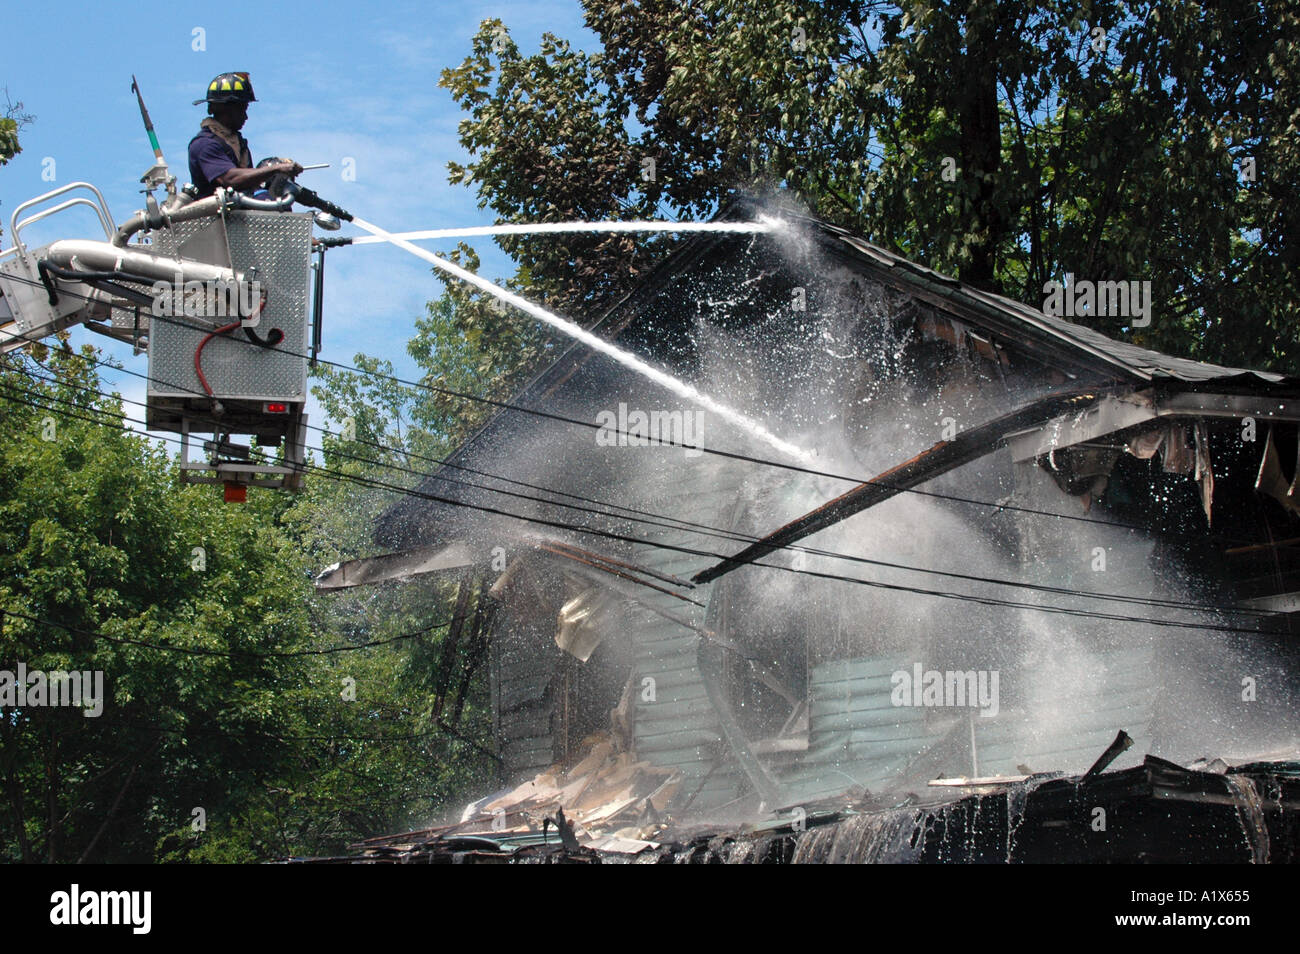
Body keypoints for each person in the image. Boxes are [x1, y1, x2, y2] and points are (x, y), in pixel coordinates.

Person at [187, 72, 302, 199]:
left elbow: (249, 186)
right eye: (242, 109)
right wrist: (275, 169)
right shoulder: (204, 144)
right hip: (217, 216)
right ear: (224, 108)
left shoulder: (238, 144)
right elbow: (230, 179)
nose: (246, 117)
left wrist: (274, 174)